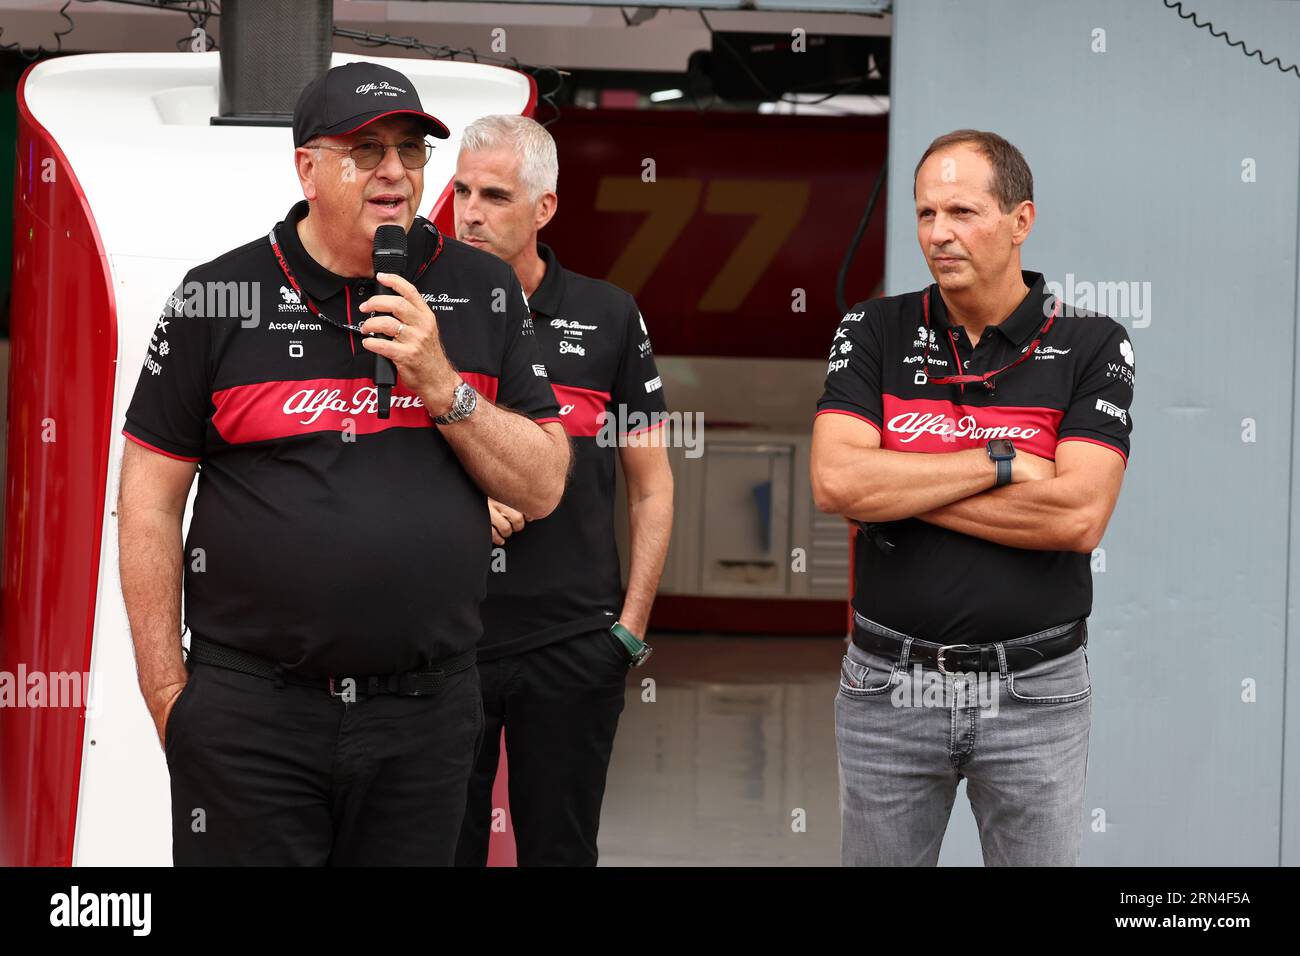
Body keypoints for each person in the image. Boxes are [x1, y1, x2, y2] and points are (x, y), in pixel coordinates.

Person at [117, 62, 569, 866]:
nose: (394, 170)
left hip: (423, 718)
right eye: (365, 149)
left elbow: (541, 482)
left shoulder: (485, 290)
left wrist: (442, 382)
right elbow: (148, 501)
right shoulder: (216, 296)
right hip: (252, 715)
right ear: (309, 168)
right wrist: (167, 697)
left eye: (410, 149)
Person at [811, 129, 1134, 866]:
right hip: (886, 684)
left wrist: (896, 480)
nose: (939, 234)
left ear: (1021, 220)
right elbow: (836, 482)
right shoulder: (872, 329)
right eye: (926, 214)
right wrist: (1003, 460)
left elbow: (1079, 515)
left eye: (962, 212)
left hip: (1035, 691)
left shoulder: (1092, 342)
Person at [450, 115, 674, 866]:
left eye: (494, 196)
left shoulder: (608, 315)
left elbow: (651, 485)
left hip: (575, 643)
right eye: (461, 192)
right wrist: (463, 501)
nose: (470, 213)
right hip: (445, 639)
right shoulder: (421, 307)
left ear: (544, 208)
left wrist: (630, 628)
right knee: (442, 850)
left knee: (561, 851)